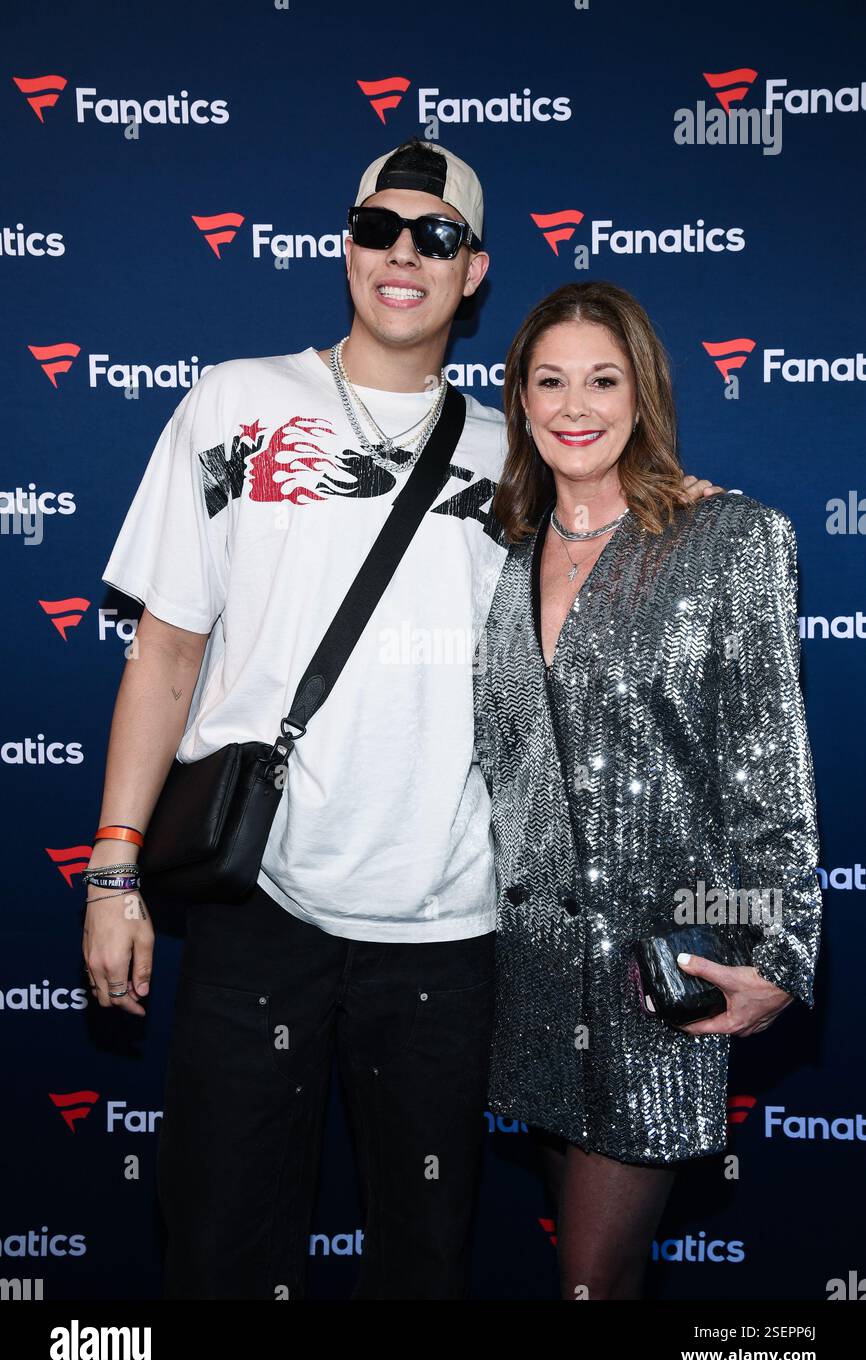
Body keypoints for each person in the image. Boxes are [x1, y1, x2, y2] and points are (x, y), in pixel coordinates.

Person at [82, 140, 720, 1301]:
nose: (402, 254)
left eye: (435, 236)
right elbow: (165, 651)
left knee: (422, 1260)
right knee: (218, 1244)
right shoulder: (234, 402)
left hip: (447, 924)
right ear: (345, 242)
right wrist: (113, 872)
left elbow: (626, 617)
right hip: (256, 903)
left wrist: (694, 519)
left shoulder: (522, 451)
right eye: (379, 226)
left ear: (472, 270)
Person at [472, 279, 823, 1300]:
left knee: (591, 1276)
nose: (574, 405)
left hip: (653, 973)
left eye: (600, 378)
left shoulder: (727, 539)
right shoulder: (499, 557)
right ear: (520, 401)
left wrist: (774, 948)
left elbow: (769, 770)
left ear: (643, 395)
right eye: (549, 381)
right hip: (530, 973)